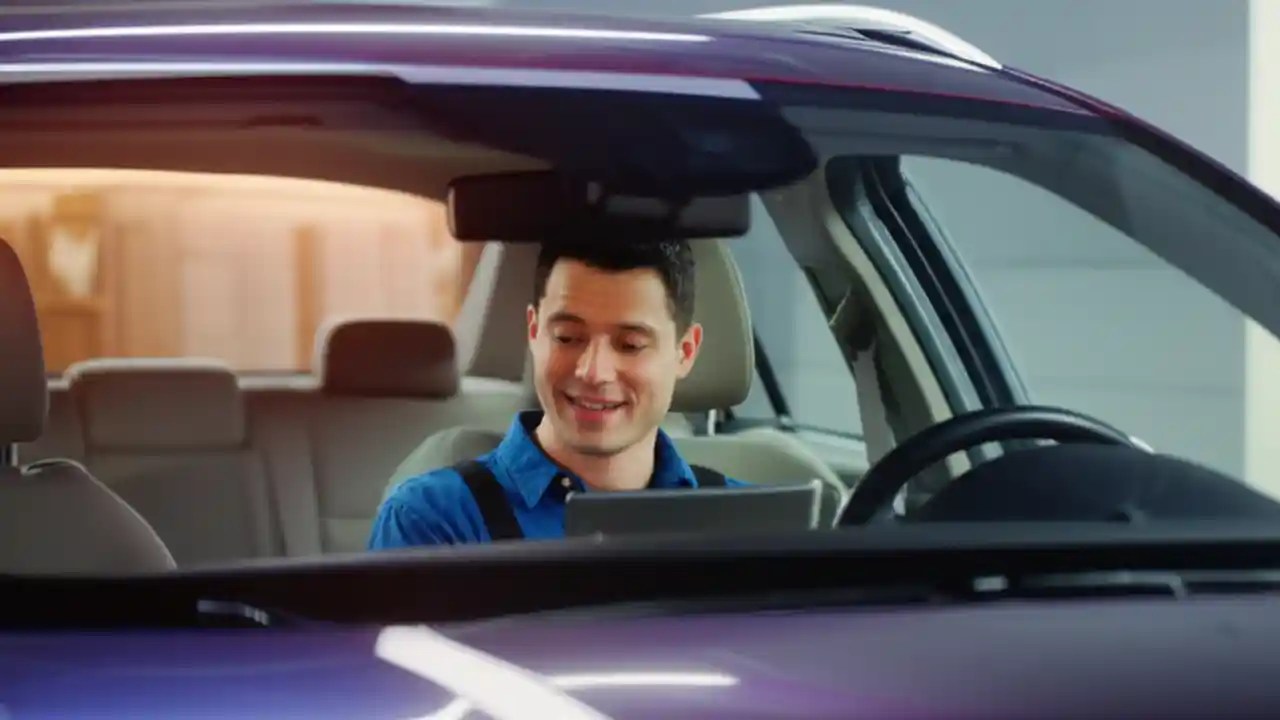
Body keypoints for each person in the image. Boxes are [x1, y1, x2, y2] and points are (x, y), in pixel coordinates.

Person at [368, 237, 745, 547]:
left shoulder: (750, 523)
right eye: (567, 337)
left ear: (685, 351)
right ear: (534, 332)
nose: (593, 371)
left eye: (630, 345)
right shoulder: (436, 521)